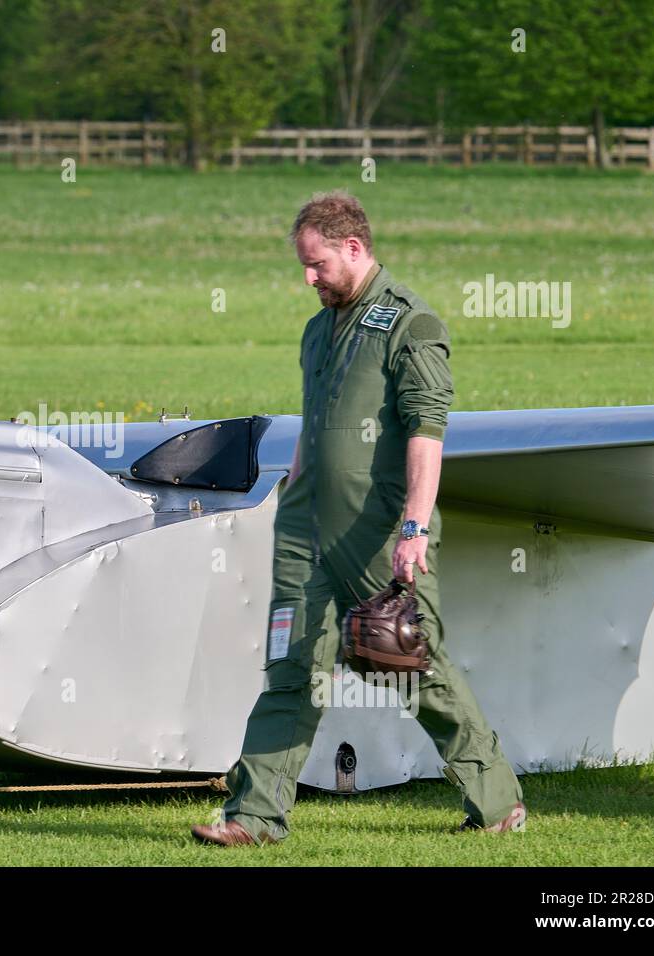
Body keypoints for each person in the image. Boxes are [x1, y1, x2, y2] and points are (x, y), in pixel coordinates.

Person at [191, 191, 525, 847]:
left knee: (409, 663)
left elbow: (428, 435)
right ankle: (254, 818)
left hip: (376, 534)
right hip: (303, 534)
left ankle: (497, 800)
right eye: (303, 267)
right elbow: (320, 424)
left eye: (317, 265)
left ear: (353, 247)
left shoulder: (412, 325)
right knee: (289, 670)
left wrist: (413, 529)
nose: (308, 279)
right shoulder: (317, 331)